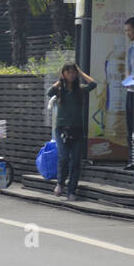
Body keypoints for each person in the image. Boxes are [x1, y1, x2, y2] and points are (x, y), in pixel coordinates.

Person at [48, 62, 97, 201]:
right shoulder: (60, 90)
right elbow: (49, 92)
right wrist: (61, 80)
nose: (72, 75)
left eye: (73, 72)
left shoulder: (80, 89)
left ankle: (71, 191)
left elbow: (93, 84)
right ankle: (60, 183)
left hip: (77, 129)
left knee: (76, 161)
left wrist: (81, 73)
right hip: (62, 128)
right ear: (63, 73)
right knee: (64, 157)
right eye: (68, 72)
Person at [123, 18, 134, 169]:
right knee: (130, 125)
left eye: (129, 30)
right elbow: (128, 70)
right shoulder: (131, 47)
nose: (127, 33)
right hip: (131, 90)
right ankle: (131, 159)